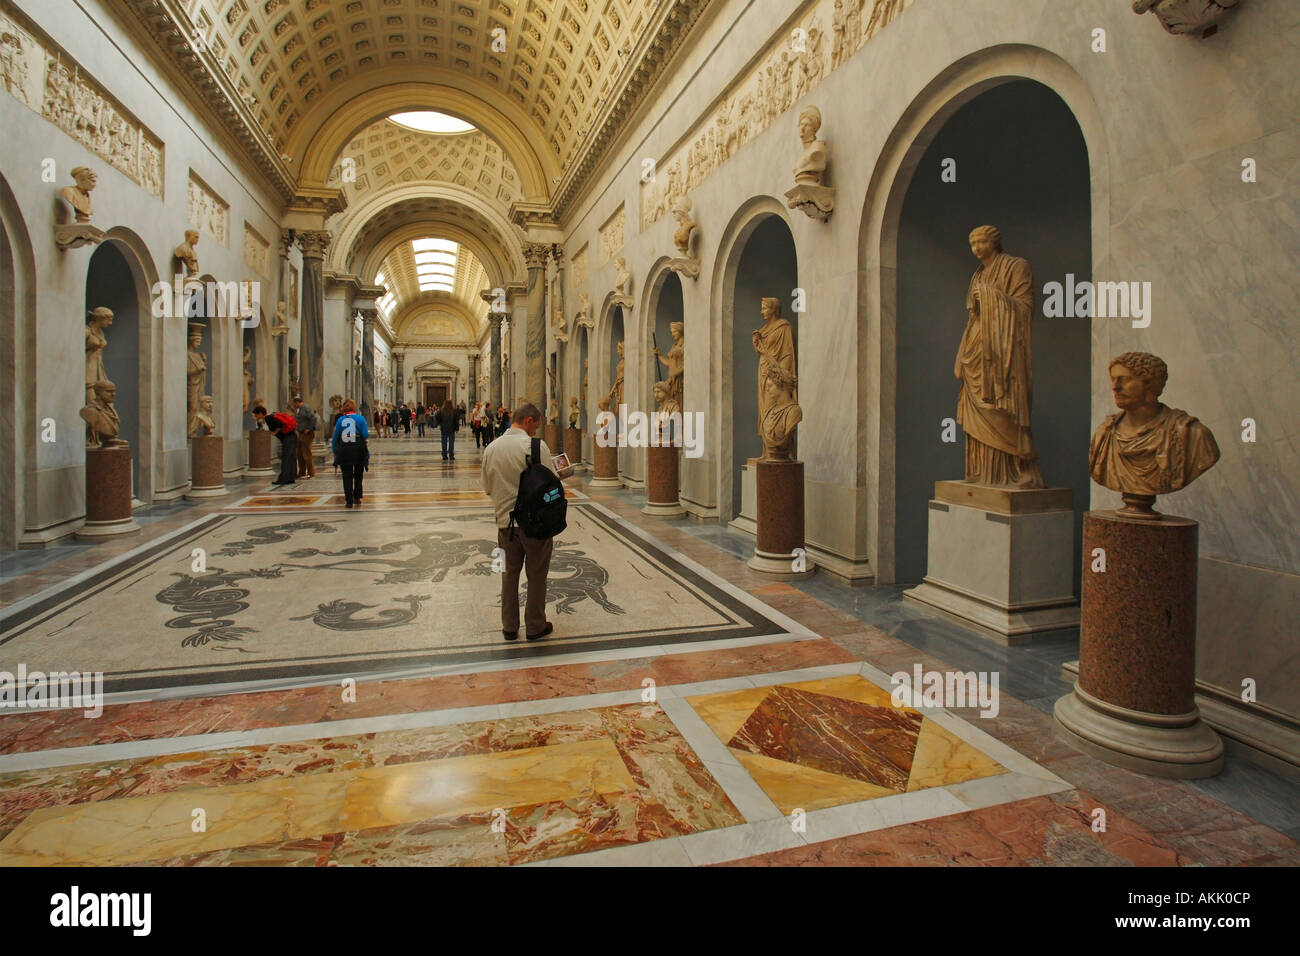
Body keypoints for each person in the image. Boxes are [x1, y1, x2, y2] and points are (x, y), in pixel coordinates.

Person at [481, 402, 573, 641]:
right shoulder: (535, 446)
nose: (535, 431)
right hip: (535, 525)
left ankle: (509, 627)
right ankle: (534, 625)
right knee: (537, 574)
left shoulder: (490, 448)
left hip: (504, 526)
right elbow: (550, 482)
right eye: (536, 426)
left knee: (507, 575)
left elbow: (487, 487)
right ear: (529, 421)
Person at [331, 398, 370, 508]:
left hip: (345, 448)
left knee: (346, 475)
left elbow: (335, 437)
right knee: (358, 474)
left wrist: (335, 451)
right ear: (354, 407)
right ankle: (357, 498)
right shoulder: (360, 418)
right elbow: (365, 434)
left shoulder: (340, 420)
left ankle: (348, 500)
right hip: (358, 448)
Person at [253, 404, 297, 485]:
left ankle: (283, 479)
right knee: (290, 457)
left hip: (288, 438)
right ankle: (290, 477)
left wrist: (274, 432)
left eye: (256, 415)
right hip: (291, 436)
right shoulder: (270, 416)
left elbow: (280, 424)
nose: (256, 416)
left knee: (286, 458)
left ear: (260, 413)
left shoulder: (268, 418)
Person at [291, 395, 318, 479]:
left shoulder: (306, 407)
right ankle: (302, 472)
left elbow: (313, 418)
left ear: (297, 402)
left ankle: (311, 472)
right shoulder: (299, 409)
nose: (293, 406)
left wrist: (309, 428)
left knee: (306, 453)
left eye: (294, 404)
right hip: (301, 433)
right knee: (300, 453)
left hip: (306, 434)